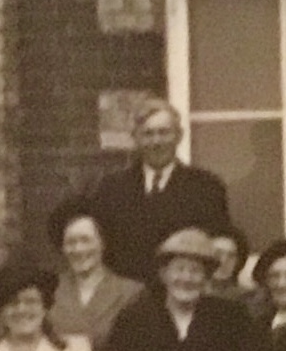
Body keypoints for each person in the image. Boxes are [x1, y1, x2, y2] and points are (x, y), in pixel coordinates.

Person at [82, 98, 233, 281]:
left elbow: (218, 247)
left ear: (179, 136)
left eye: (164, 133)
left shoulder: (206, 187)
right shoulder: (111, 189)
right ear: (135, 138)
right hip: (127, 299)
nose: (156, 141)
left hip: (183, 294)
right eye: (148, 134)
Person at [95, 228, 266, 351]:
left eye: (195, 270)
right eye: (179, 269)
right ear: (164, 274)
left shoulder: (232, 320)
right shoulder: (133, 322)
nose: (186, 278)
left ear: (206, 278)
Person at [44, 201, 144, 349]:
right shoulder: (49, 290)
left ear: (103, 243)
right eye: (71, 242)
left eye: (86, 240)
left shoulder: (131, 294)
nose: (78, 249)